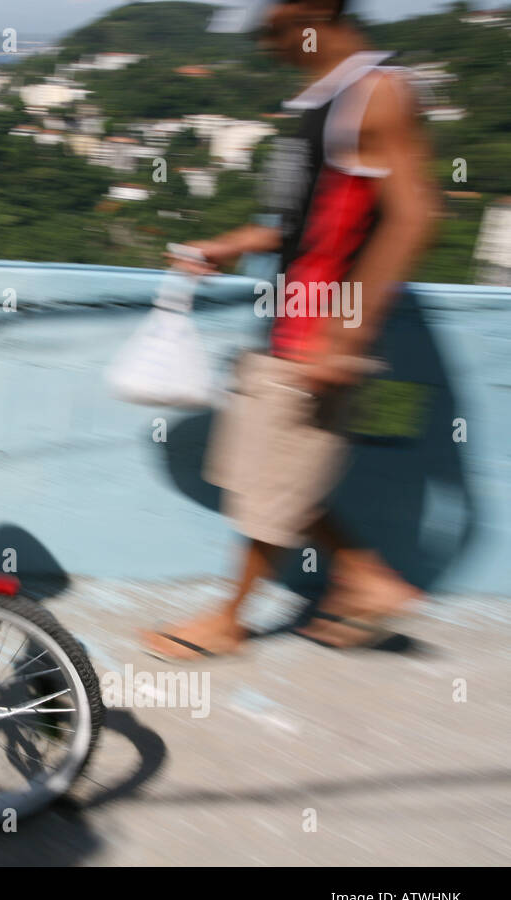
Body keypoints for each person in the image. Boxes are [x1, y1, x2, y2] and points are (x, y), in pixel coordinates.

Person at [142, 0, 438, 660]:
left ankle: (229, 620)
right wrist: (225, 245)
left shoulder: (377, 94)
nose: (265, 43)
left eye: (272, 28)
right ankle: (364, 578)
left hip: (319, 336)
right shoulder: (322, 102)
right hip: (289, 328)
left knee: (269, 487)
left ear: (318, 11)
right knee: (265, 480)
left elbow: (414, 216)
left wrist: (348, 331)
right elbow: (296, 223)